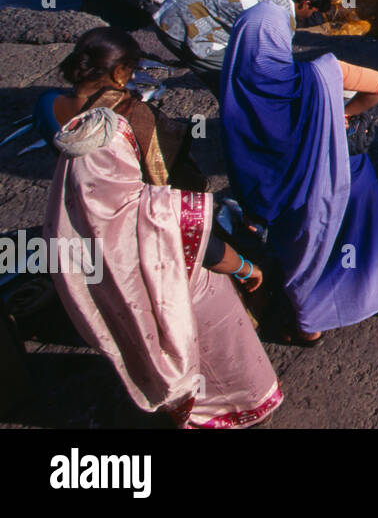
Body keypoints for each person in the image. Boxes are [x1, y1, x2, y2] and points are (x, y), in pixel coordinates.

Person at [46, 107, 282, 428]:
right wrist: (248, 269)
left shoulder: (63, 224)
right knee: (222, 365)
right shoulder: (159, 212)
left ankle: (185, 411)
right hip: (196, 308)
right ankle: (239, 414)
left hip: (136, 328)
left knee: (170, 371)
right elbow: (213, 253)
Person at [220, 3, 378, 345]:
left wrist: (251, 211)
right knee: (360, 237)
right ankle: (373, 296)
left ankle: (311, 327)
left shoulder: (236, 98)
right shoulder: (322, 74)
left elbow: (243, 164)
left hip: (288, 204)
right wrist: (342, 114)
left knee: (306, 257)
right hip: (343, 175)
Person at [35, 28, 207, 192]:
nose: (132, 76)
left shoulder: (46, 103)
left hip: (79, 190)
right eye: (132, 69)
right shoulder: (134, 114)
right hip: (123, 201)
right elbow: (164, 165)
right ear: (118, 73)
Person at [154, 0, 332, 73]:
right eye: (312, 12)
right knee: (231, 76)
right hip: (178, 19)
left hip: (181, 1)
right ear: (306, 3)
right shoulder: (281, 14)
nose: (308, 17)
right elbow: (278, 64)